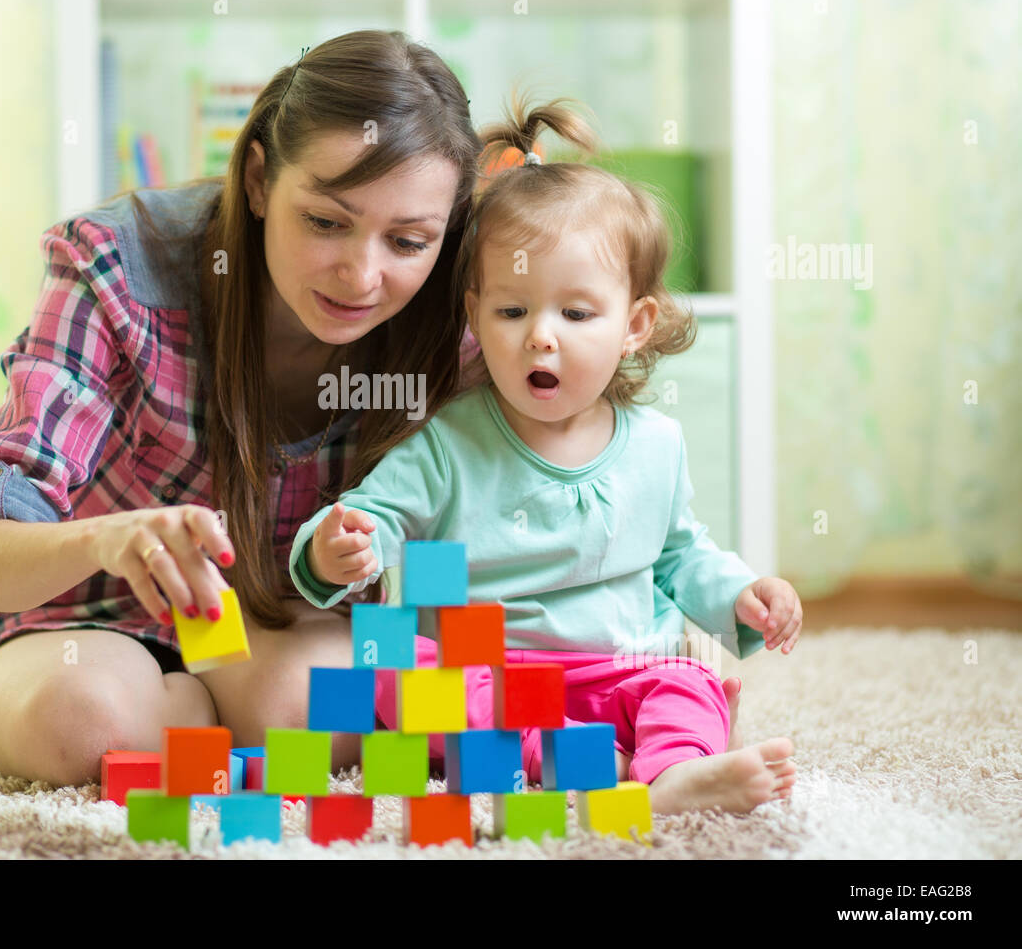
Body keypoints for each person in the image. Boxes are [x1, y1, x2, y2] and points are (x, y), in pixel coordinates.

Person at [0, 29, 487, 786]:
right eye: (326, 222)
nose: (362, 275)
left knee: (307, 711)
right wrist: (109, 540)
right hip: (77, 615)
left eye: (408, 241)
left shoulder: (461, 309)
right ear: (258, 180)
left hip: (276, 622)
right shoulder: (116, 266)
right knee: (84, 727)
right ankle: (178, 712)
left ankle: (204, 719)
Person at [289, 93, 802, 815]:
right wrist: (335, 549)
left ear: (636, 324)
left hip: (625, 663)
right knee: (399, 683)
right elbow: (370, 516)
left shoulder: (658, 444)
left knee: (691, 681)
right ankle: (594, 761)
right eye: (512, 311)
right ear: (474, 317)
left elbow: (683, 555)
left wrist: (743, 597)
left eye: (577, 313)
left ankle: (669, 773)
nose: (541, 337)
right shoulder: (448, 442)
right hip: (494, 673)